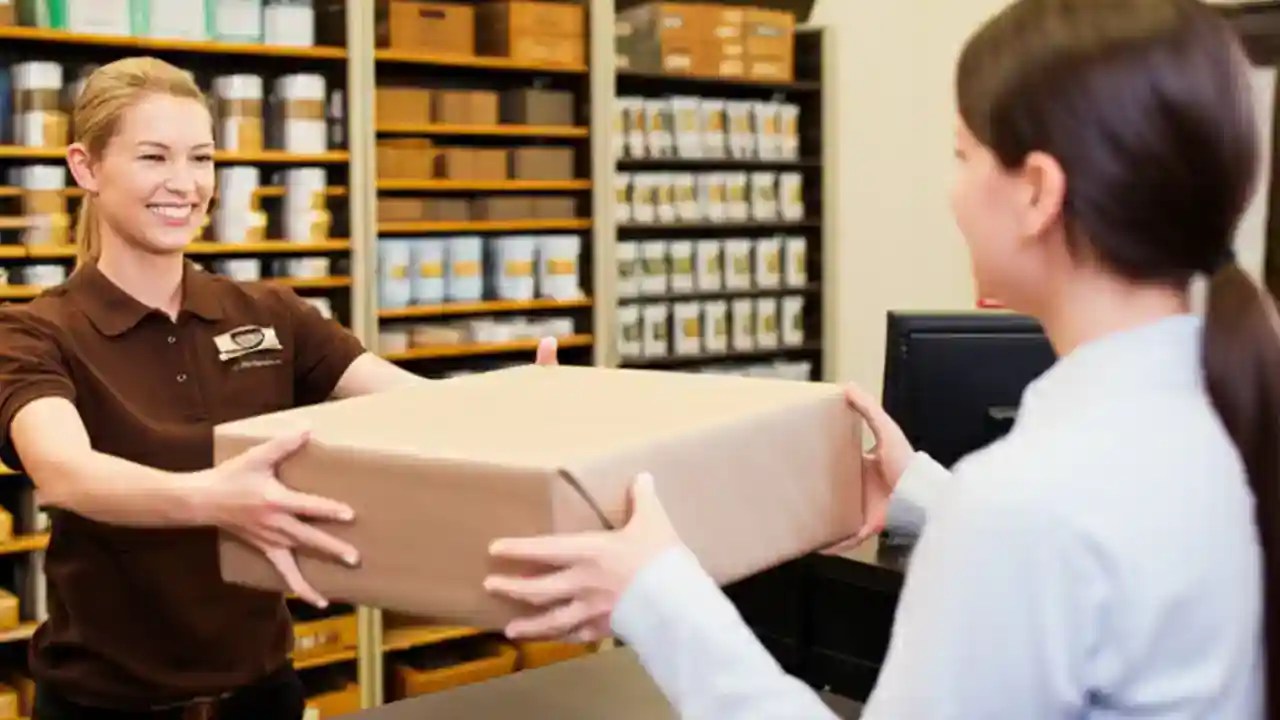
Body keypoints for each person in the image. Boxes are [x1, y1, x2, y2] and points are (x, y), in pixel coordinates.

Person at [483, 0, 1279, 717]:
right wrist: (925, 494)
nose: (952, 189)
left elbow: (1045, 538)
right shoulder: (1221, 416)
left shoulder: (1031, 504)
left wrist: (657, 596)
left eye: (963, 154)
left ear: (1037, 192)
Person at [0, 57, 559, 718]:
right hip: (102, 706)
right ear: (85, 167)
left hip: (262, 697)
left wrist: (522, 407)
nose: (185, 184)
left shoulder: (268, 313)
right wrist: (211, 499)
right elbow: (65, 472)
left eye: (202, 159)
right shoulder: (35, 330)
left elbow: (413, 404)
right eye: (154, 157)